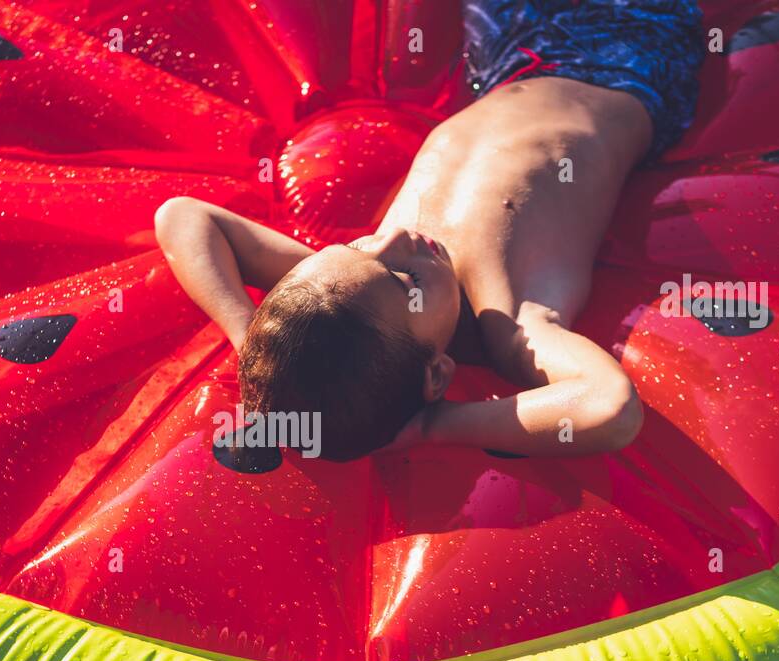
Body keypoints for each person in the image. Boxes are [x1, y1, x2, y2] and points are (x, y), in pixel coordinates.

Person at [155, 1, 704, 462]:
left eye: (355, 247)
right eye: (399, 279)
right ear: (436, 375)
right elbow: (609, 409)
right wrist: (434, 426)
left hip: (507, 65)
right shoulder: (510, 321)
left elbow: (182, 215)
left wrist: (245, 335)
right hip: (621, 58)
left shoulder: (352, 289)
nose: (392, 241)